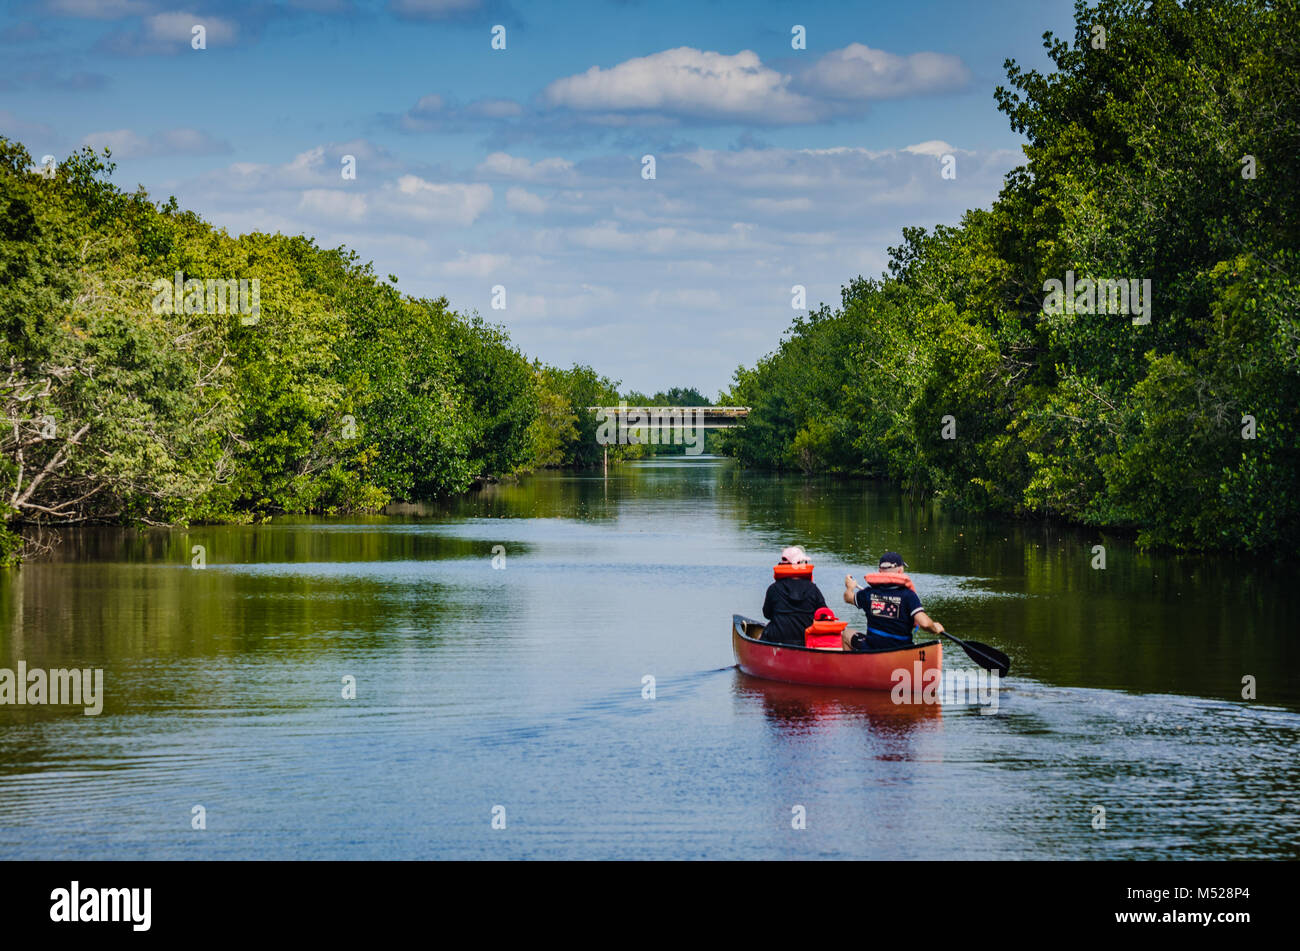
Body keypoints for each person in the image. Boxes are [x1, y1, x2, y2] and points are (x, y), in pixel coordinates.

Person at [842, 552, 945, 650]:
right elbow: (925, 623)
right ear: (900, 571)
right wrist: (935, 628)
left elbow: (848, 598)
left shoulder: (868, 593)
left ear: (880, 571)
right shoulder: (908, 595)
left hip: (873, 648)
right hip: (902, 649)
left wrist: (850, 587)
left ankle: (854, 666)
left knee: (846, 634)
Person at [761, 545, 827, 645]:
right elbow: (823, 615)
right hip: (804, 640)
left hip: (776, 638)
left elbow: (767, 614)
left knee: (760, 636)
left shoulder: (773, 588)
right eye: (804, 562)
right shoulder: (813, 589)